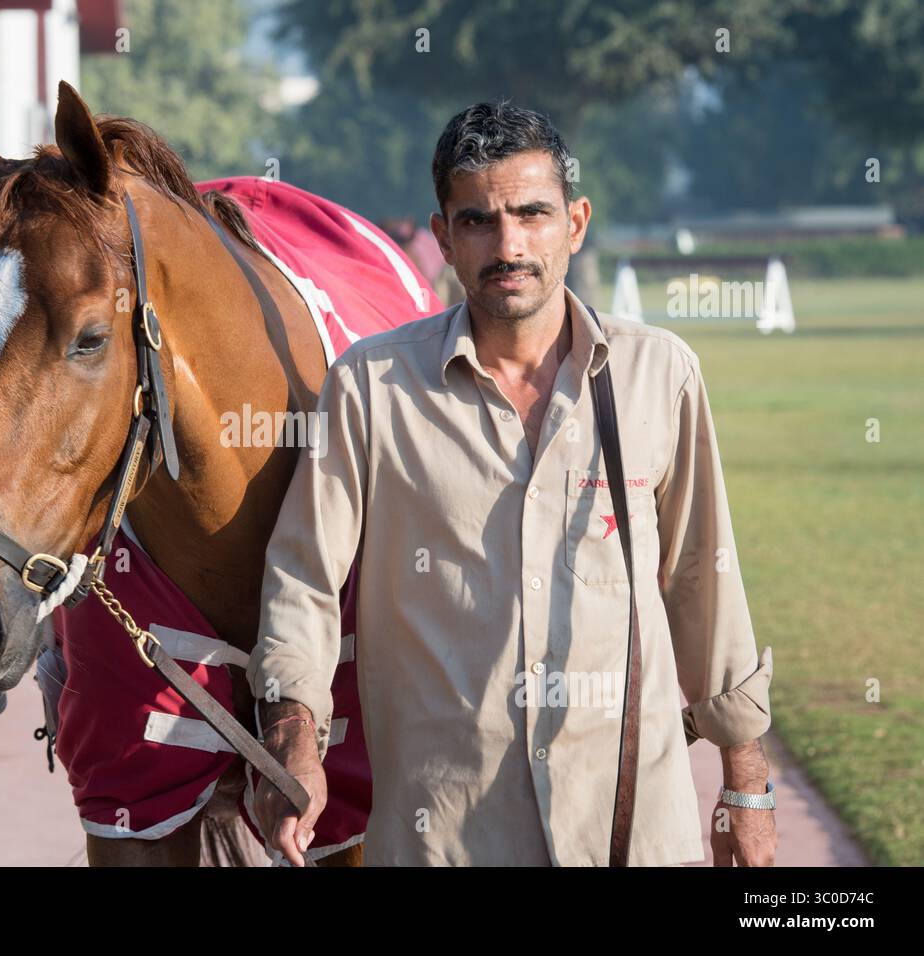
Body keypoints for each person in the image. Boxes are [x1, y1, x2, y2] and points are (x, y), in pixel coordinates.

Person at [247, 101, 776, 867]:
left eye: (533, 213)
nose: (510, 244)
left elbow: (705, 586)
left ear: (576, 222)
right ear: (443, 240)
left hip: (629, 830)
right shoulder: (372, 387)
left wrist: (747, 790)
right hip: (448, 832)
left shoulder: (657, 375)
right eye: (479, 221)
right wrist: (296, 743)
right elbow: (302, 583)